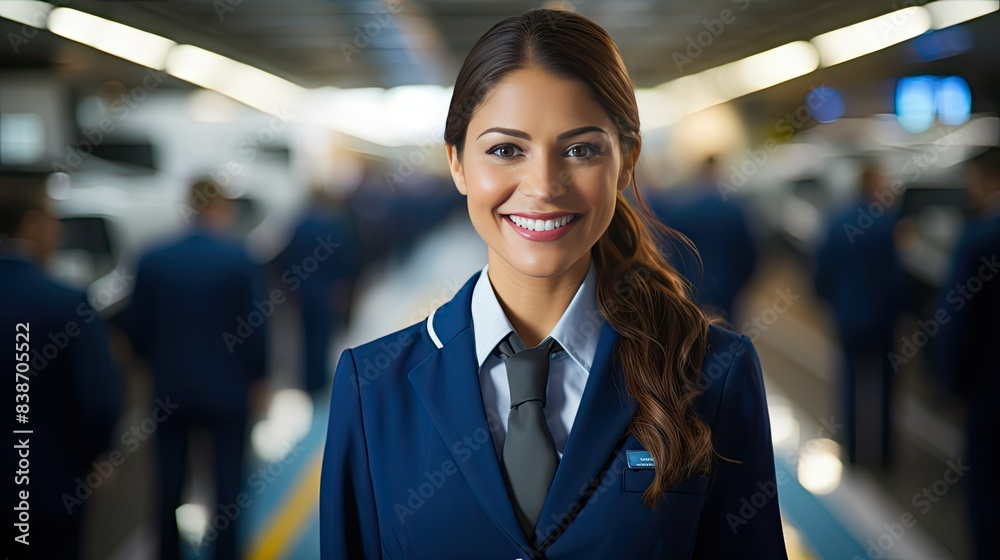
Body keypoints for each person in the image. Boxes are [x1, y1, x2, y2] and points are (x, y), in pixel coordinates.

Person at [320, 10, 786, 559]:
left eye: (581, 149)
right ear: (458, 164)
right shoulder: (372, 388)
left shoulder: (712, 375)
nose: (542, 185)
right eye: (505, 150)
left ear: (626, 162)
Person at [124, 179, 268, 560]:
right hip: (228, 388)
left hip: (170, 388)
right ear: (219, 206)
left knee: (168, 482)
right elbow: (255, 326)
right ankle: (226, 552)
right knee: (227, 484)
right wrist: (258, 376)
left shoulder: (153, 257)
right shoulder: (239, 257)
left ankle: (167, 551)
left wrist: (156, 364)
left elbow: (136, 329)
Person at [1, 172, 123, 560]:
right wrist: (97, 455)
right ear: (32, 224)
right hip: (51, 487)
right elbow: (98, 399)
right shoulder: (66, 302)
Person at [813, 162, 905, 467]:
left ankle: (852, 452)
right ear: (874, 186)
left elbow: (822, 270)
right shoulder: (888, 224)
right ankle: (884, 455)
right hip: (882, 318)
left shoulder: (836, 221)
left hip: (847, 314)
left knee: (849, 381)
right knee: (885, 386)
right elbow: (898, 277)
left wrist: (831, 301)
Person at [933, 147, 1000, 560]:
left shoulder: (979, 239)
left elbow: (956, 319)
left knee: (987, 491)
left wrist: (952, 382)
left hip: (989, 392)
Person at [648, 155, 758, 321]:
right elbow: (750, 255)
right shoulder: (734, 210)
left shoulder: (684, 210)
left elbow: (671, 248)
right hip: (728, 288)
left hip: (693, 288)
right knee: (728, 339)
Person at [279, 187, 360, 395]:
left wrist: (291, 286)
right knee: (323, 338)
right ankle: (320, 382)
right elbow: (346, 260)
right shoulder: (336, 225)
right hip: (328, 291)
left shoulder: (301, 224)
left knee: (306, 335)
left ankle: (307, 380)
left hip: (305, 291)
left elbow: (288, 258)